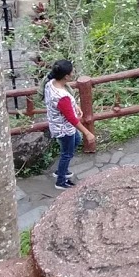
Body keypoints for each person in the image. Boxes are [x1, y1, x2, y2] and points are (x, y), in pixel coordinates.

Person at [44, 60, 97, 190]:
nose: (73, 73)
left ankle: (61, 170)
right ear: (66, 76)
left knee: (76, 140)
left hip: (58, 124)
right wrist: (88, 133)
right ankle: (61, 181)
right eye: (71, 71)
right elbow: (72, 119)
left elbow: (67, 106)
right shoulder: (62, 97)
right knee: (66, 154)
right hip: (64, 129)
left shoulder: (50, 83)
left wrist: (75, 106)